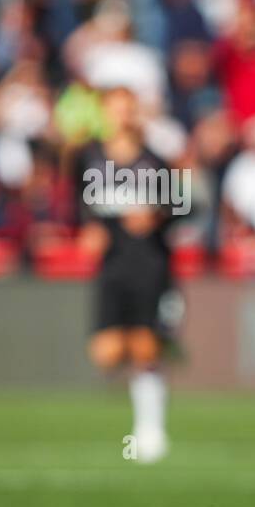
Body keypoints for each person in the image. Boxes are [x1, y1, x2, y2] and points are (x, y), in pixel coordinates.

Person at [79, 87, 182, 463]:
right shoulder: (89, 157)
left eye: (127, 109)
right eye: (114, 109)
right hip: (111, 264)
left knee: (144, 348)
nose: (121, 117)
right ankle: (166, 347)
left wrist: (156, 215)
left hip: (150, 263)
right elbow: (81, 206)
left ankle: (150, 430)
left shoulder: (154, 160)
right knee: (106, 353)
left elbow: (181, 206)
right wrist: (87, 229)